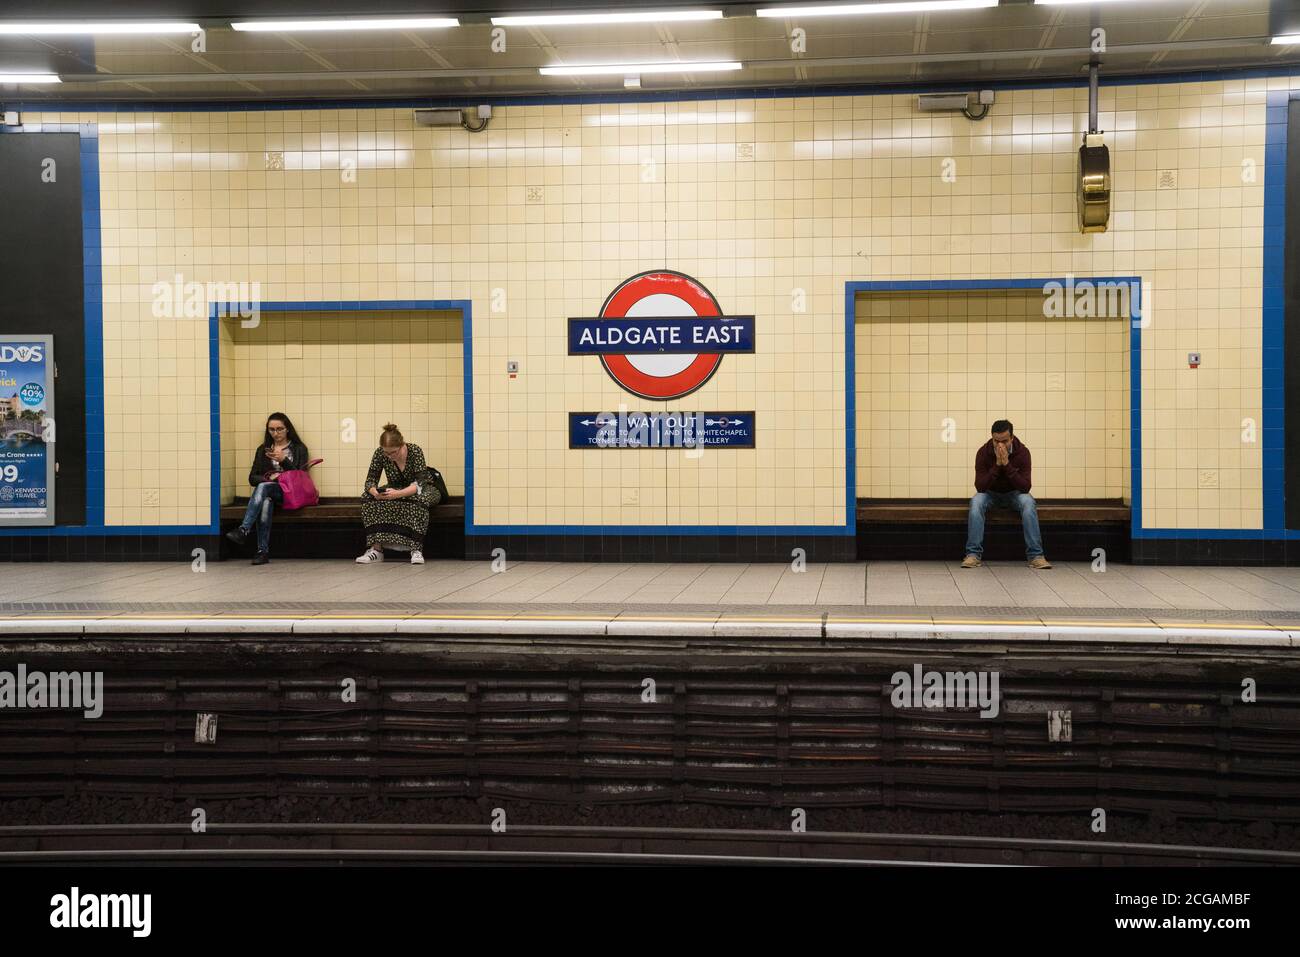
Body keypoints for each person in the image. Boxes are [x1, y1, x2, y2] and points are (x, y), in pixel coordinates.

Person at [962, 419, 1052, 569]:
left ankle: (1036, 556)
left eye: (1004, 441)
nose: (1000, 445)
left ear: (1012, 438)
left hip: (1015, 493)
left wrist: (1007, 465)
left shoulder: (1023, 452)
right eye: (996, 441)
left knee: (1028, 502)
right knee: (976, 502)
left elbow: (1025, 487)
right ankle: (973, 554)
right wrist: (997, 465)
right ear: (992, 438)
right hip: (990, 494)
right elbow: (980, 486)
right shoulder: (983, 452)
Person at [225, 413, 309, 565]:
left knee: (263, 489)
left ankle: (244, 530)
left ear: (287, 429)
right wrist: (269, 479)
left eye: (279, 429)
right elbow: (252, 478)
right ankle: (262, 552)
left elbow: (300, 477)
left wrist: (284, 461)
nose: (276, 433)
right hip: (269, 492)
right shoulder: (263, 450)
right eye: (271, 430)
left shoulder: (299, 449)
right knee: (266, 500)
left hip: (290, 494)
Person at [356, 423, 442, 564]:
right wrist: (375, 492)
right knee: (367, 498)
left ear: (402, 445)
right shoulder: (380, 453)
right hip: (395, 488)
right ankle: (376, 549)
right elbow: (370, 481)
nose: (389, 456)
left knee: (419, 500)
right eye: (386, 452)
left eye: (393, 452)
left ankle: (416, 549)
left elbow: (421, 483)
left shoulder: (415, 451)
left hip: (423, 489)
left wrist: (399, 494)